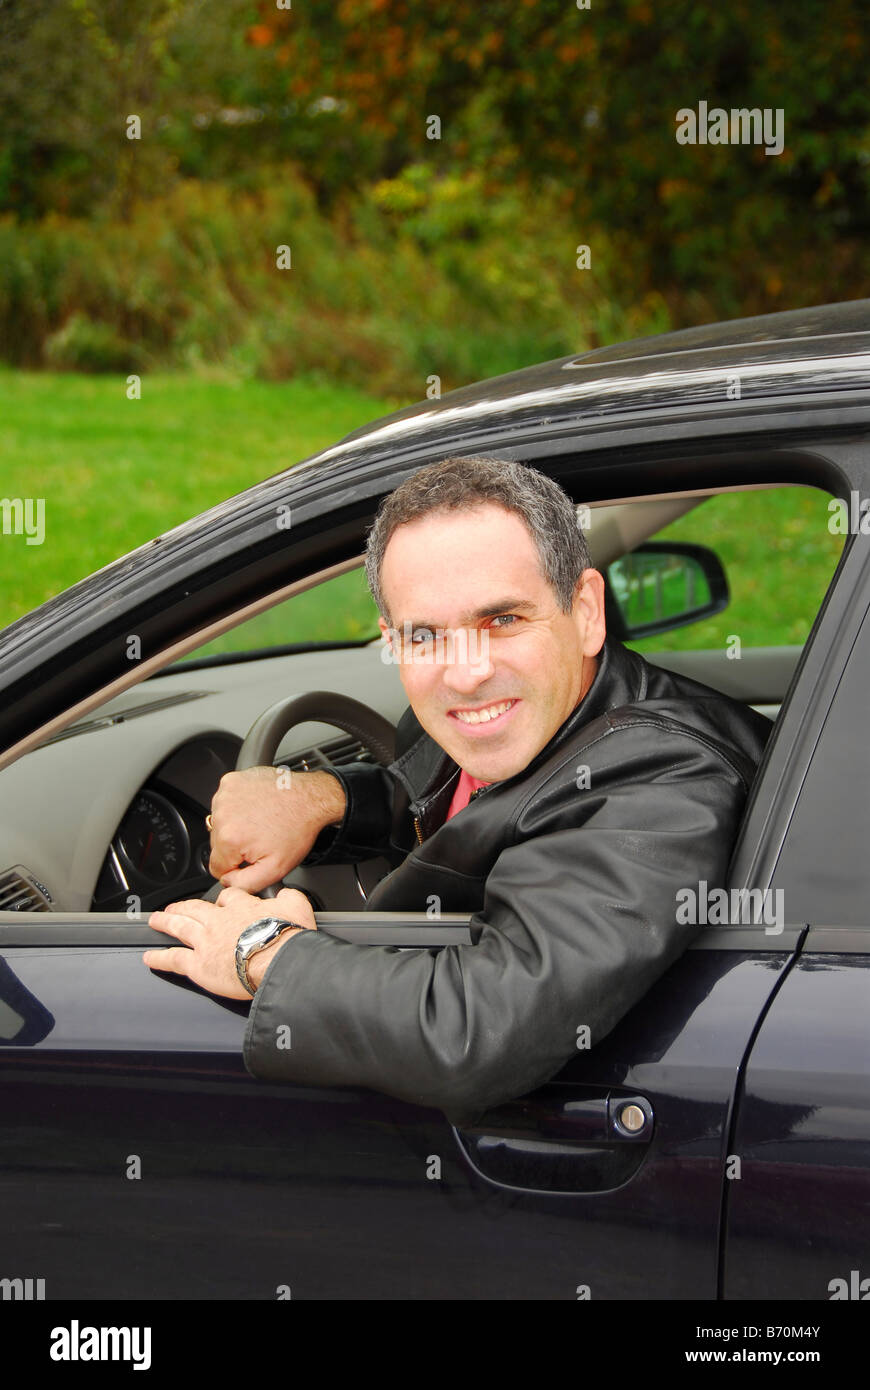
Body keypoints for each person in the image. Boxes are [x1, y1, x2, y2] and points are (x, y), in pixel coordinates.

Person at [144, 456, 770, 1127]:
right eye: (425, 635)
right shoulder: (484, 718)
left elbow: (485, 1029)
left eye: (503, 620)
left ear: (586, 612)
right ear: (393, 641)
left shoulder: (664, 777)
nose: (466, 674)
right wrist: (323, 799)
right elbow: (442, 807)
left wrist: (266, 951)